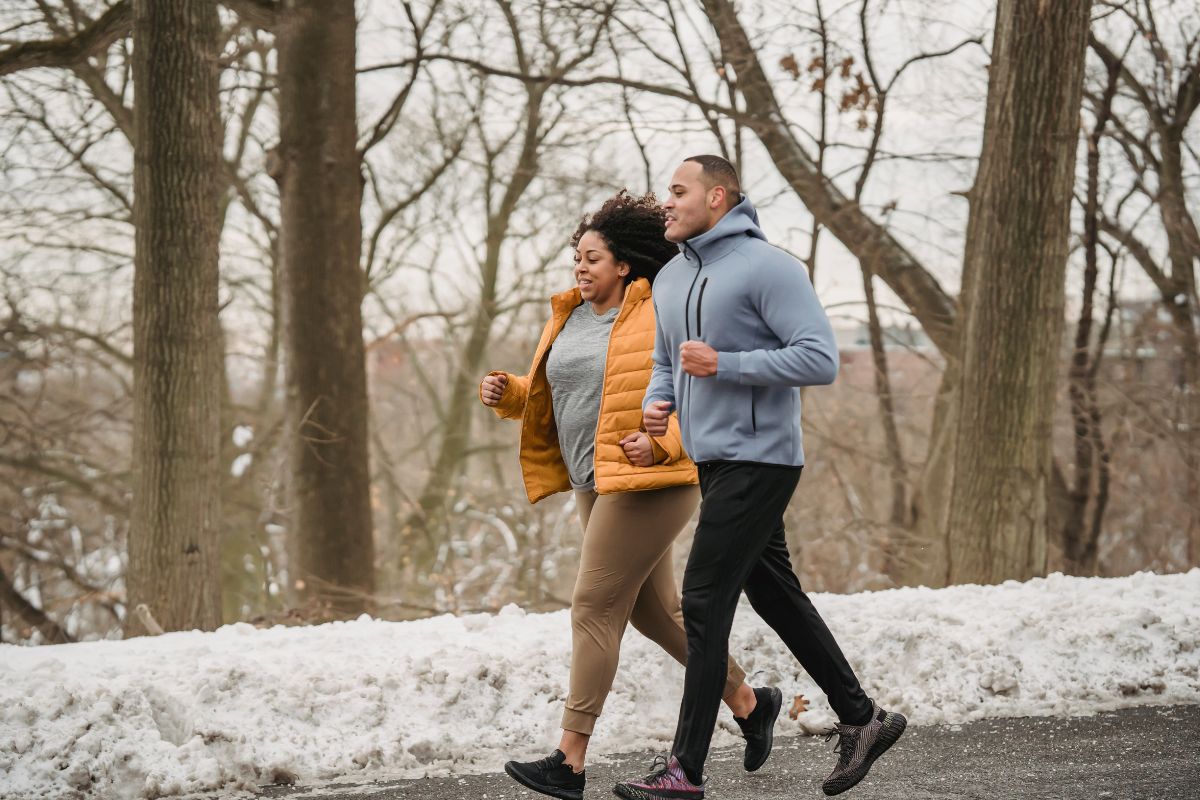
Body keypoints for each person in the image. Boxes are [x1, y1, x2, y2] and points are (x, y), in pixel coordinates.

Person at [612, 157, 907, 800]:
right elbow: (667, 363)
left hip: (762, 455)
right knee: (774, 595)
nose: (667, 202)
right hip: (711, 458)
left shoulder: (768, 266)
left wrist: (727, 364)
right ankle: (863, 718)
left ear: (717, 198)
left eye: (679, 192)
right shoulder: (671, 278)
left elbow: (820, 357)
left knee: (703, 598)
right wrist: (658, 408)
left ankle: (684, 770)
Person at [481, 191, 781, 800]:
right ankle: (749, 701)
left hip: (653, 478)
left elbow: (691, 393)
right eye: (577, 259)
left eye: (593, 258)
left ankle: (569, 759)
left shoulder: (656, 313)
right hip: (597, 480)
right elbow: (562, 389)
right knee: (652, 613)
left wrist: (665, 445)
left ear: (623, 264)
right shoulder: (568, 314)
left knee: (593, 606)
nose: (580, 268)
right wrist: (510, 392)